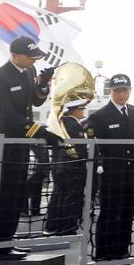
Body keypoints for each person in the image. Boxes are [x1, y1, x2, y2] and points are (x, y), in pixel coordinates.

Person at [0, 37, 58, 260]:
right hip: (6, 143)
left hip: (21, 142)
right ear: (15, 55)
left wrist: (43, 83)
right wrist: (40, 132)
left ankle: (7, 242)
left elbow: (36, 102)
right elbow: (8, 115)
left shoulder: (28, 71)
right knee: (5, 196)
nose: (34, 60)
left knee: (16, 195)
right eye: (30, 56)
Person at [88, 74, 134, 265]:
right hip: (112, 173)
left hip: (130, 173)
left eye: (125, 90)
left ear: (130, 90)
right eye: (117, 90)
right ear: (110, 92)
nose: (122, 94)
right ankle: (105, 264)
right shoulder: (100, 116)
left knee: (127, 215)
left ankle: (121, 256)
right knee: (110, 217)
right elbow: (94, 144)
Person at [44, 99, 90, 236]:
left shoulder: (60, 123)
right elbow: (80, 147)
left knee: (58, 195)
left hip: (59, 166)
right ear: (75, 110)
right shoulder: (73, 125)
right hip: (72, 166)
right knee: (72, 197)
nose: (83, 112)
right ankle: (67, 227)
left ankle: (52, 226)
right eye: (82, 109)